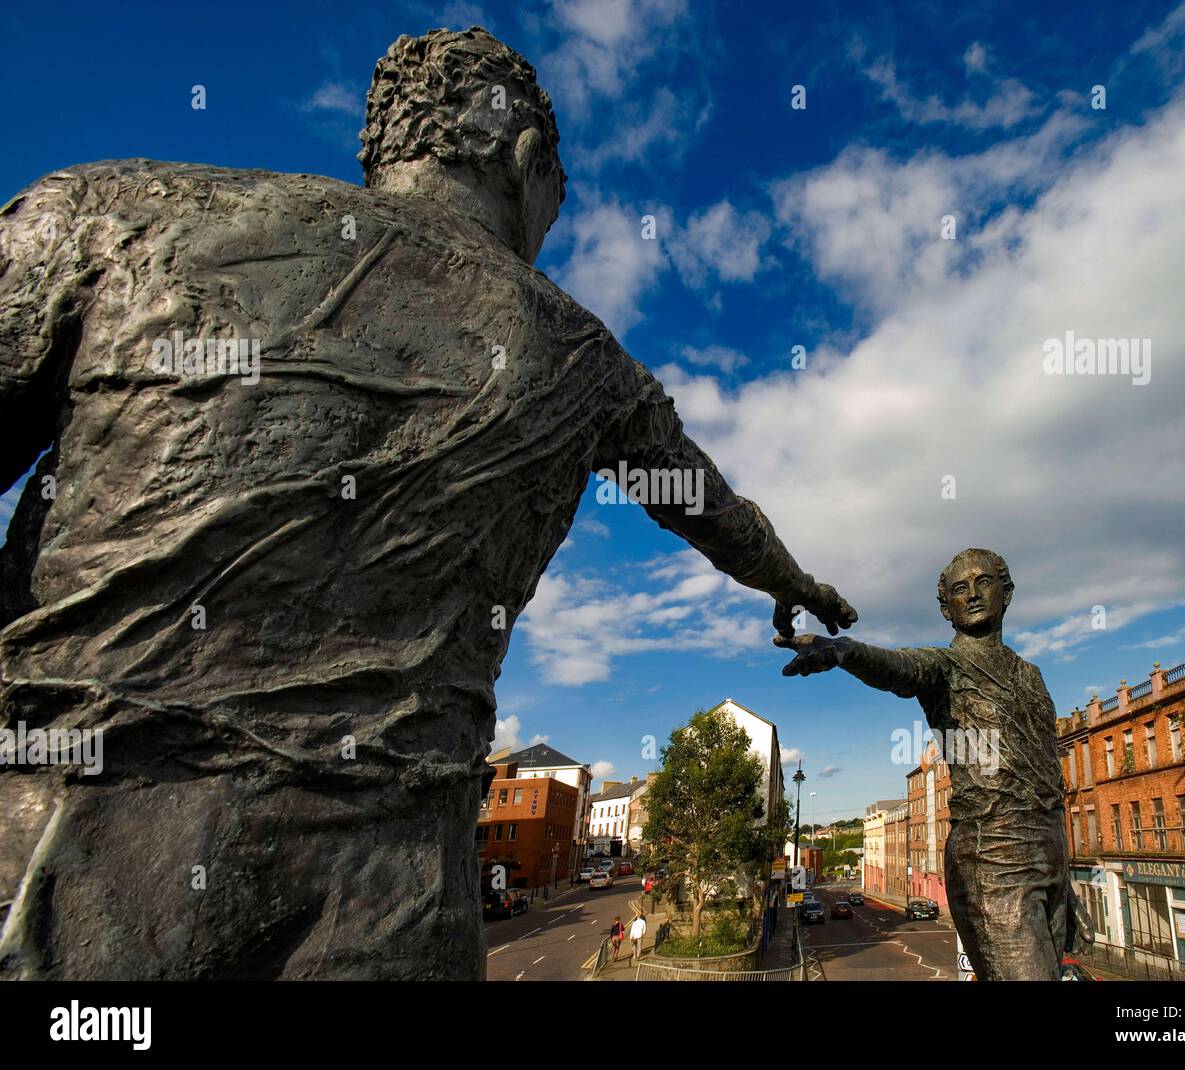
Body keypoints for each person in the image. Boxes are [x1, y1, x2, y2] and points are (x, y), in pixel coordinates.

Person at [0, 26, 855, 981]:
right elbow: (719, 517)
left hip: (50, 851)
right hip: (391, 903)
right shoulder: (587, 362)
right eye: (553, 202)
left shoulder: (110, 214)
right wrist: (801, 585)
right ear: (524, 158)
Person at [775, 548, 1093, 981]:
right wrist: (843, 651)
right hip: (993, 864)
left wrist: (1064, 880)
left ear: (1008, 592)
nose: (974, 594)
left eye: (984, 582)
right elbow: (901, 667)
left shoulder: (1031, 675)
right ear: (946, 608)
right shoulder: (946, 668)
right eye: (960, 589)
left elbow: (1049, 788)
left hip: (1049, 860)